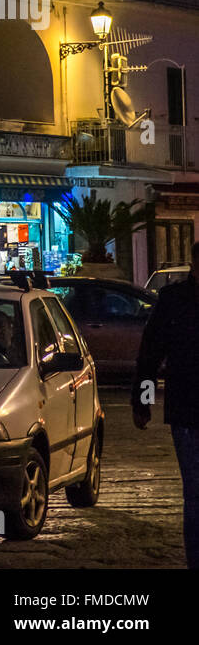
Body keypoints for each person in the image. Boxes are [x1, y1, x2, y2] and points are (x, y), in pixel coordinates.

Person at [134, 241, 199, 569]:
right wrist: (143, 401)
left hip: (185, 407)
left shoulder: (173, 301)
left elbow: (150, 354)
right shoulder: (174, 301)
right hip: (188, 411)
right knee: (195, 494)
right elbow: (151, 353)